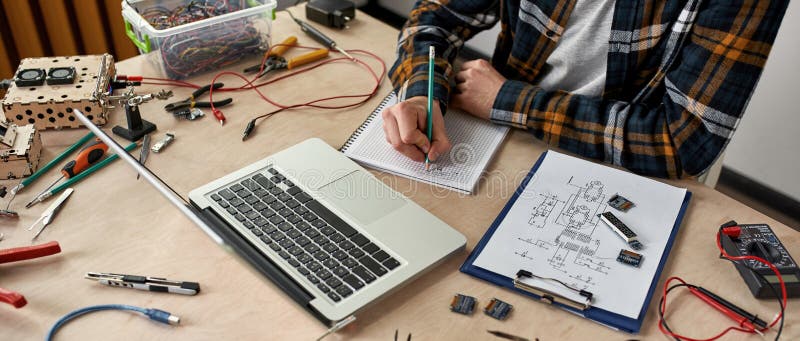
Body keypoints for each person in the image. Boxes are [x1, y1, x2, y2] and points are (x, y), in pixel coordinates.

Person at [383, 0, 788, 178]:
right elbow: (436, 17)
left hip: (629, 167)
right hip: (500, 133)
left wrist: (506, 100)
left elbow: (682, 144)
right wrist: (423, 91)